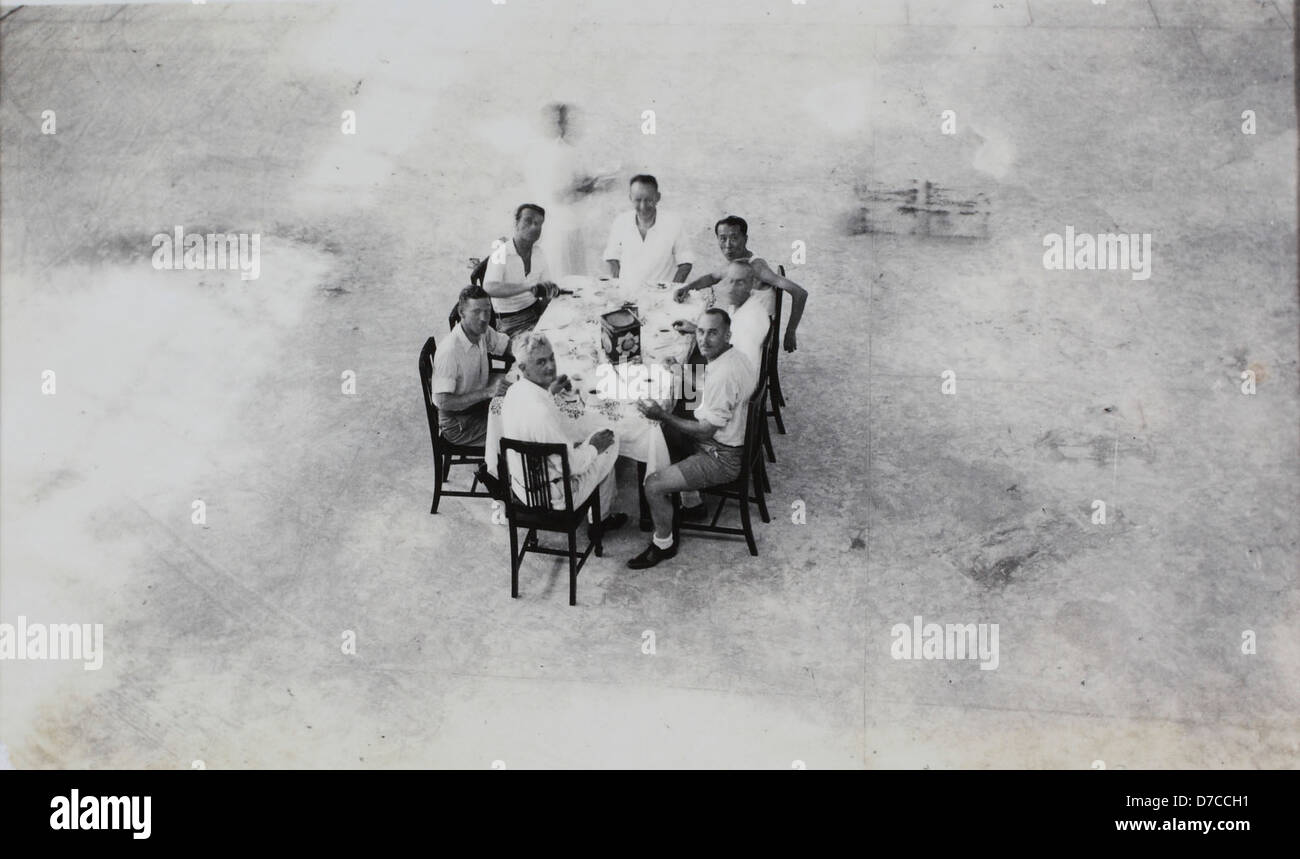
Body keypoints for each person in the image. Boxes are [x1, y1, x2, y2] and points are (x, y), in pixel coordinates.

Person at [627, 309, 758, 569]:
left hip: (721, 457)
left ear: (727, 334)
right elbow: (708, 387)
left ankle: (663, 544)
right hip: (725, 440)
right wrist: (680, 372)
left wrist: (661, 414)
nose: (704, 339)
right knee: (665, 432)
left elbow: (705, 430)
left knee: (653, 485)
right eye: (701, 331)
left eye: (713, 333)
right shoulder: (734, 356)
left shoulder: (724, 375)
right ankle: (693, 503)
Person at [500, 331, 628, 533]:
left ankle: (600, 511)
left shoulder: (514, 392)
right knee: (609, 439)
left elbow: (535, 417)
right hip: (551, 497)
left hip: (521, 486)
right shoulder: (541, 415)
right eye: (541, 362)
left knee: (583, 438)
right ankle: (600, 520)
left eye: (551, 358)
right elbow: (572, 466)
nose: (550, 366)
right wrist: (593, 446)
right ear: (523, 368)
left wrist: (550, 390)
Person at [674, 215, 807, 352]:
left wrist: (790, 332)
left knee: (684, 350)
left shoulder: (756, 267)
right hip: (740, 328)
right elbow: (713, 277)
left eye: (734, 238)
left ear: (745, 239)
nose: (728, 245)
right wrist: (688, 287)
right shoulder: (738, 262)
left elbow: (800, 293)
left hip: (747, 341)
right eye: (723, 238)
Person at [430, 285, 512, 446]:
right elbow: (443, 402)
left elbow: (505, 346)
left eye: (487, 311)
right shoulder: (449, 352)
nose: (484, 318)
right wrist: (487, 392)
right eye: (476, 312)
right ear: (462, 313)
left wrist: (528, 351)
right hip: (459, 424)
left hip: (478, 405)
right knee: (519, 429)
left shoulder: (481, 330)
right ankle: (494, 469)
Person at [673, 260, 769, 371]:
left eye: (740, 282)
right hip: (727, 362)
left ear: (752, 284)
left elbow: (736, 372)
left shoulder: (752, 322)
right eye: (729, 281)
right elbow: (731, 340)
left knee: (666, 376)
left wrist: (679, 371)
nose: (731, 288)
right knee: (689, 354)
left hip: (731, 378)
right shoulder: (742, 304)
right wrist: (697, 329)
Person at [484, 203, 562, 337]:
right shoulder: (500, 253)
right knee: (542, 351)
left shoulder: (539, 253)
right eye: (528, 220)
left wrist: (550, 292)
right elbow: (489, 288)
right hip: (511, 323)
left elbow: (546, 289)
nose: (534, 227)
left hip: (536, 312)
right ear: (516, 223)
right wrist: (527, 286)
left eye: (538, 223)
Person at [602, 175, 695, 286]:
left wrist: (672, 290)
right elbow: (612, 257)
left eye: (648, 200)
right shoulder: (621, 221)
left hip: (661, 295)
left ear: (658, 197)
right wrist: (618, 284)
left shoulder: (673, 222)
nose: (643, 206)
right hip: (627, 293)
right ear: (630, 198)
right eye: (637, 200)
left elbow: (685, 262)